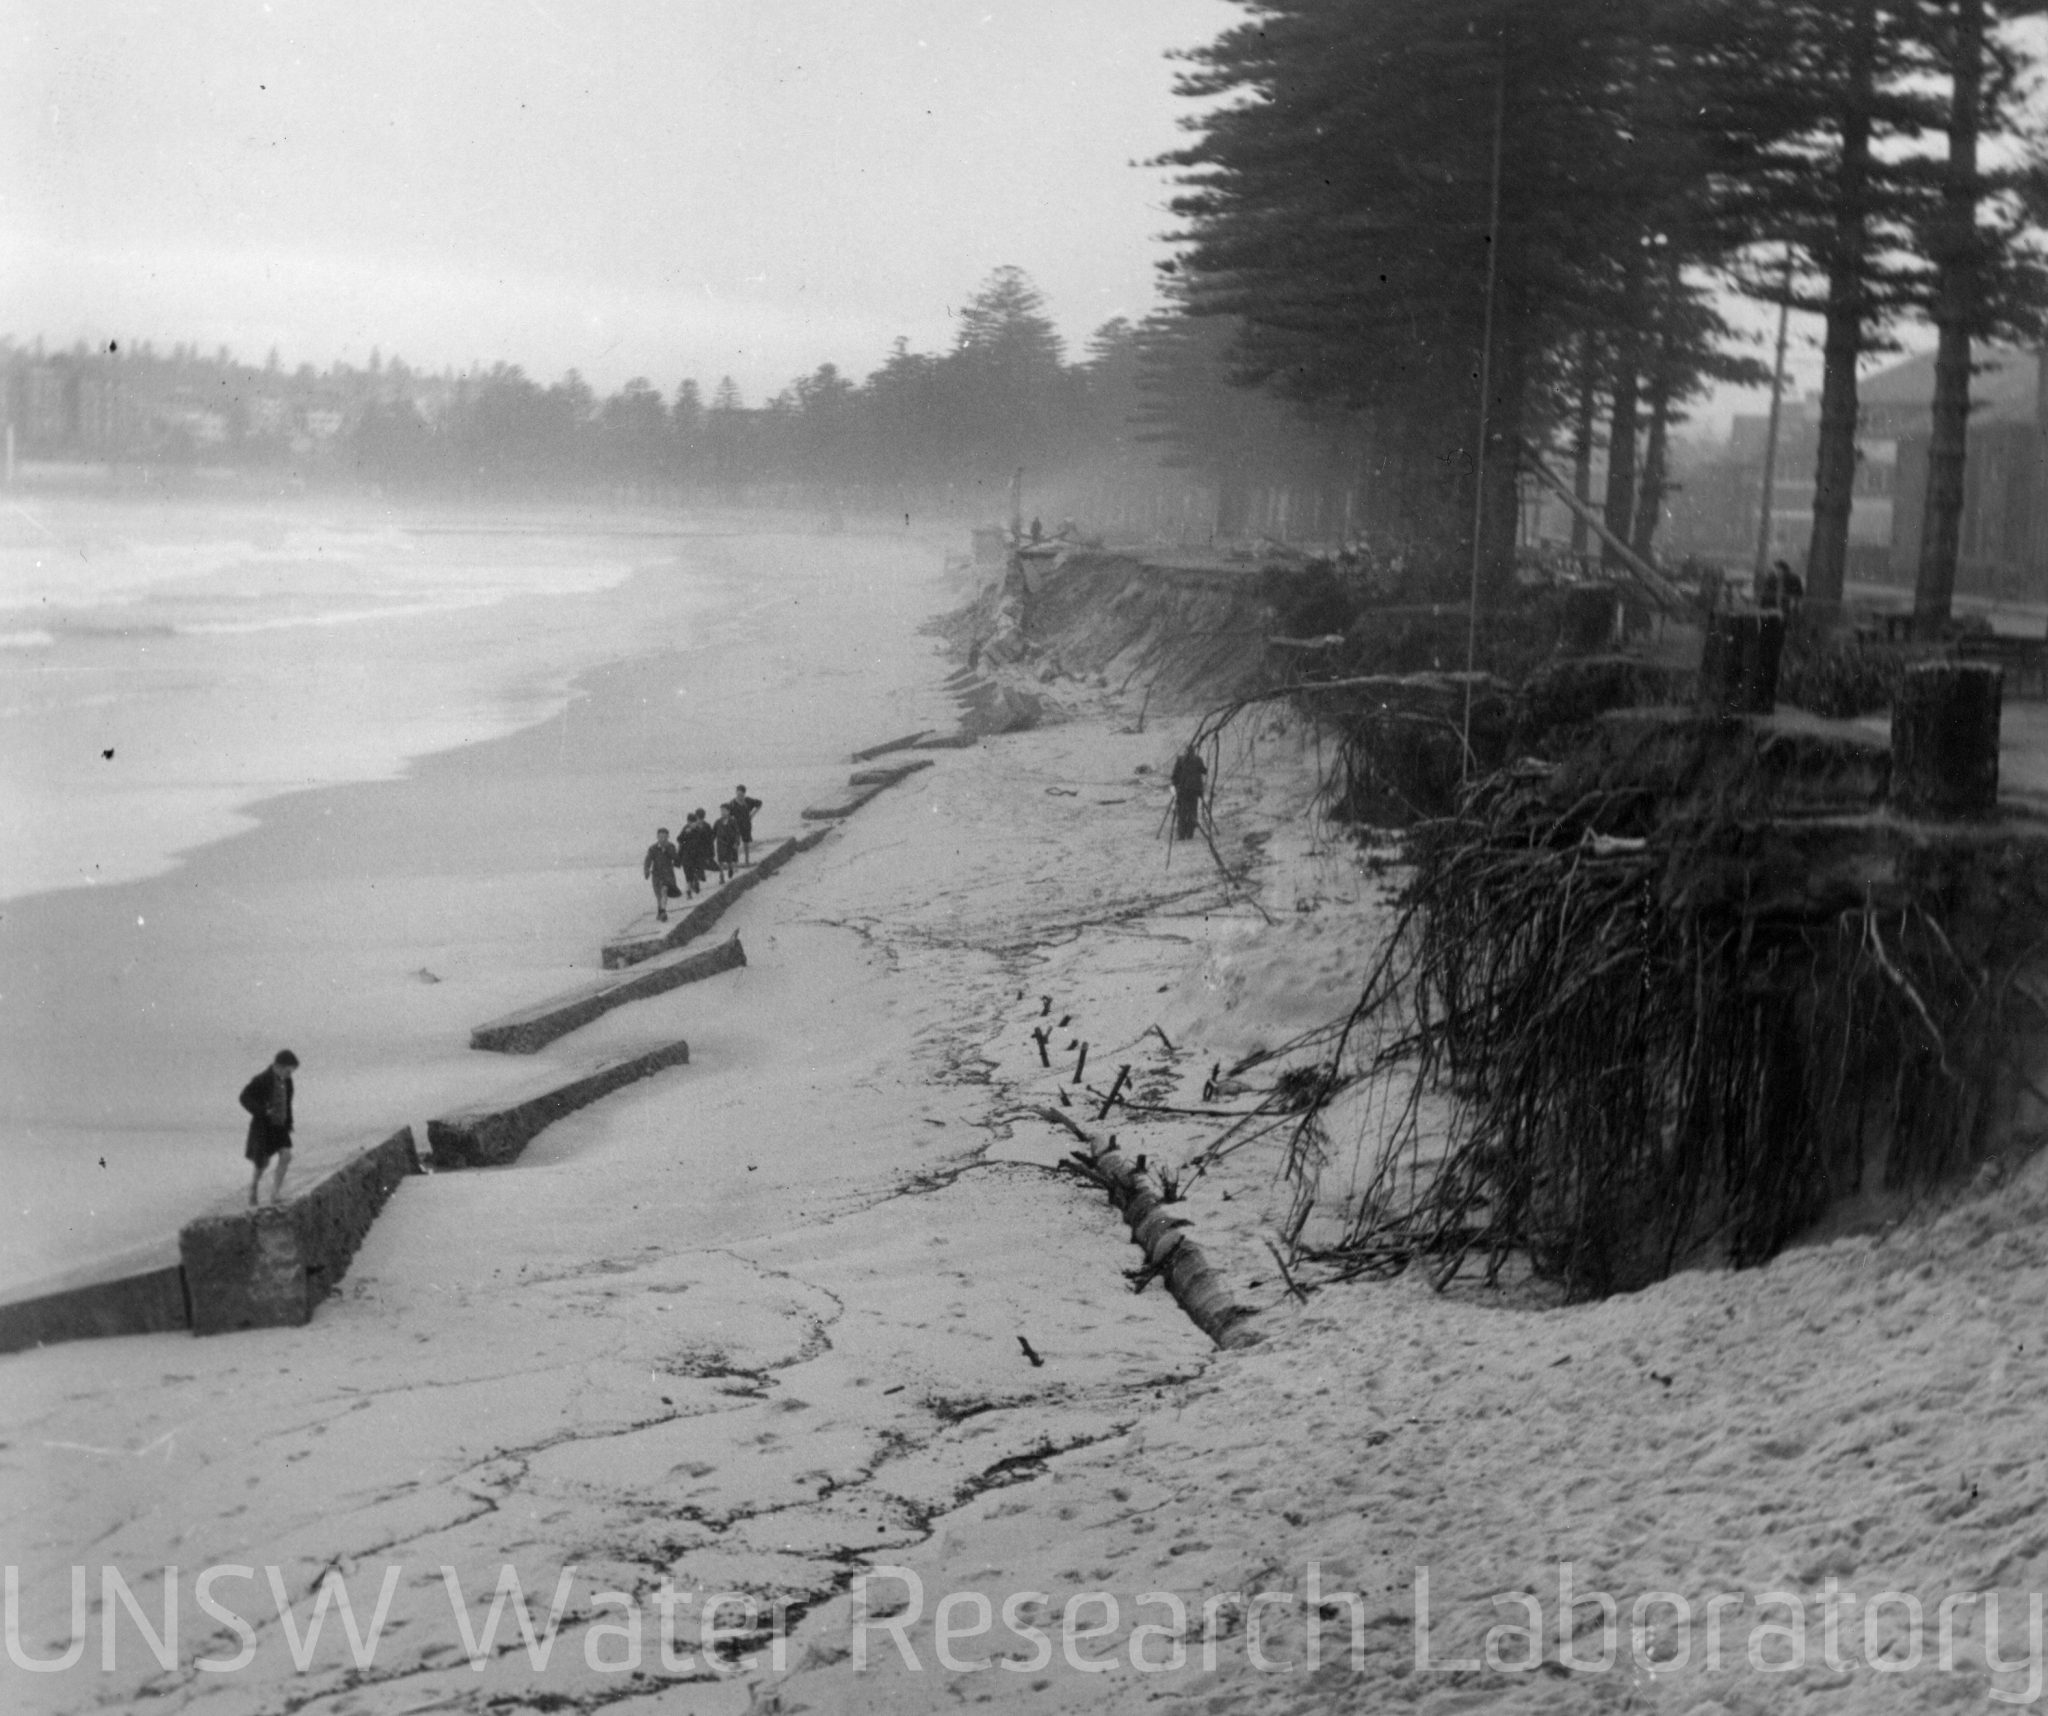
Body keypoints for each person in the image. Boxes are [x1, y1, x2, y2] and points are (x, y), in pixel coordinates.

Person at [240, 1050, 298, 1206]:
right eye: (288, 1070)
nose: (290, 1074)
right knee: (262, 1163)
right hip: (264, 1127)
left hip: (280, 1126)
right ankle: (253, 1188)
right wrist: (261, 1110)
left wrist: (289, 1122)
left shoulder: (288, 1081)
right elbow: (244, 1097)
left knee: (286, 1156)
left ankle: (275, 1194)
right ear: (278, 1066)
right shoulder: (261, 1080)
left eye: (292, 1071)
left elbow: (287, 1103)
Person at [1170, 746, 1207, 841]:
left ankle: (1182, 834)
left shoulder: (1180, 760)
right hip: (1194, 791)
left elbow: (1174, 775)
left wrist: (1174, 786)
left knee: (1182, 812)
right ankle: (1189, 834)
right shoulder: (1198, 760)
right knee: (1192, 811)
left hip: (1182, 791)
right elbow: (1204, 771)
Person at [643, 827, 680, 922]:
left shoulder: (671, 846)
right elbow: (648, 860)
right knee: (659, 895)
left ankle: (663, 911)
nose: (662, 839)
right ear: (657, 837)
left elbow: (675, 857)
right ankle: (660, 911)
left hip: (667, 874)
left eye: (665, 837)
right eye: (660, 837)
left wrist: (667, 850)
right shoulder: (653, 848)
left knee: (664, 890)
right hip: (656, 874)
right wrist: (646, 870)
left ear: (668, 837)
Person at [676, 809, 714, 898]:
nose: (691, 824)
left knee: (692, 872)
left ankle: (692, 885)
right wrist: (686, 833)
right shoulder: (687, 829)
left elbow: (708, 842)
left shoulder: (697, 829)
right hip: (690, 855)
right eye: (690, 822)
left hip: (694, 855)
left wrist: (709, 855)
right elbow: (679, 839)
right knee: (690, 871)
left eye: (692, 822)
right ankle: (690, 889)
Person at [723, 785, 763, 865]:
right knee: (736, 843)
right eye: (738, 794)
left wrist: (752, 814)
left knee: (746, 843)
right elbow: (727, 815)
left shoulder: (748, 801)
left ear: (744, 794)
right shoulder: (732, 803)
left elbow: (759, 804)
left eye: (741, 794)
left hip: (746, 825)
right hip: (736, 826)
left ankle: (747, 860)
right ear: (736, 793)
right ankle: (735, 862)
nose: (739, 796)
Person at [711, 807, 741, 884]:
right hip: (720, 844)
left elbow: (737, 832)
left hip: (730, 844)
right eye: (721, 811)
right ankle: (721, 876)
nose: (723, 813)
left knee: (729, 859)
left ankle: (730, 868)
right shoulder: (718, 822)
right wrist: (710, 842)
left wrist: (736, 842)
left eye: (725, 811)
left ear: (728, 811)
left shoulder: (733, 821)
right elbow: (713, 833)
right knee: (720, 861)